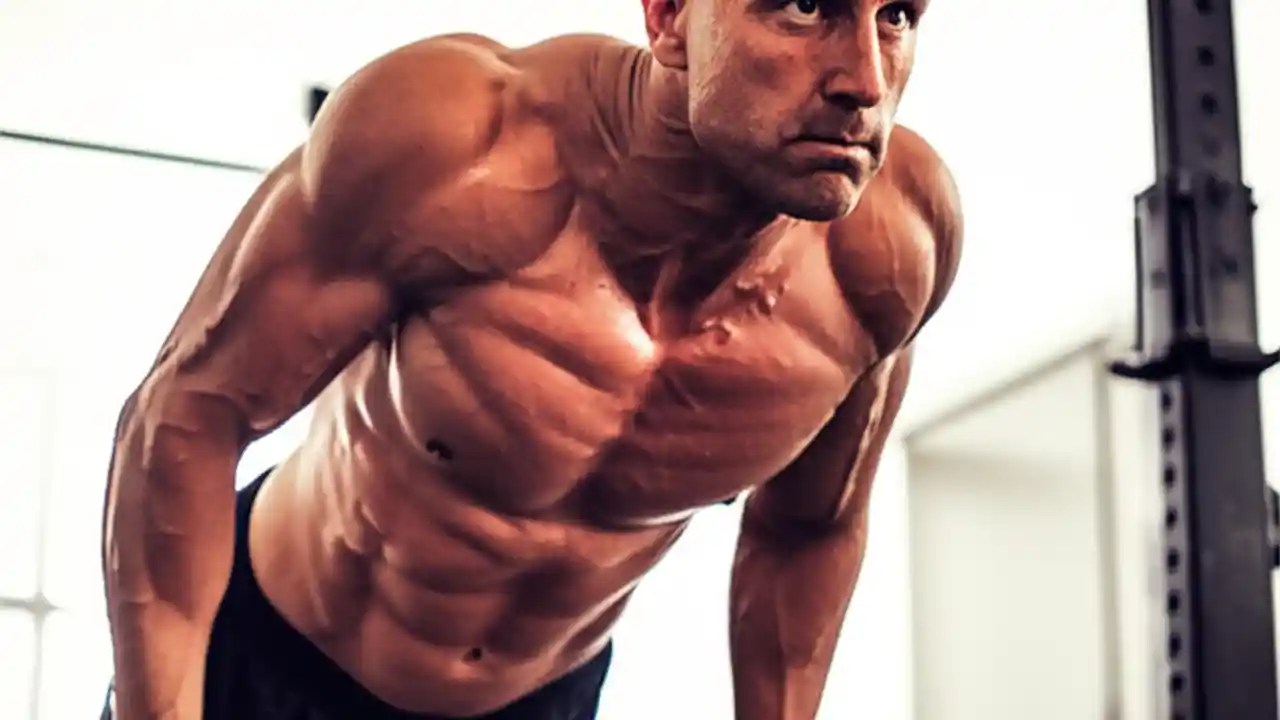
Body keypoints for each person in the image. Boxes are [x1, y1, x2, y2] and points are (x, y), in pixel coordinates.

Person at [101, 0, 962, 718]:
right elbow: (189, 412)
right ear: (669, 16)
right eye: (806, 7)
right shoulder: (454, 144)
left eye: (896, 16)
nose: (865, 82)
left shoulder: (890, 255)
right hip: (264, 658)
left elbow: (807, 531)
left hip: (546, 699)